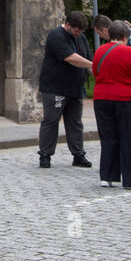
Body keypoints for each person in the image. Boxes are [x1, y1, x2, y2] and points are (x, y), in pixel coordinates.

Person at [92, 20, 131, 189]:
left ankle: (107, 176)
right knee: (129, 138)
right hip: (126, 98)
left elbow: (96, 71)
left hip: (102, 98)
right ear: (125, 36)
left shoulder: (100, 50)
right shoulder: (129, 51)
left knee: (108, 138)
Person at [37, 11, 93, 168]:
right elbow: (70, 57)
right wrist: (91, 65)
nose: (79, 33)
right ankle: (45, 154)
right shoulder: (56, 35)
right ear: (68, 25)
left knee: (75, 122)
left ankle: (78, 154)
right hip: (55, 87)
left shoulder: (80, 37)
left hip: (75, 88)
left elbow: (87, 59)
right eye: (76, 30)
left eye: (81, 31)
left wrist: (94, 70)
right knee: (51, 120)